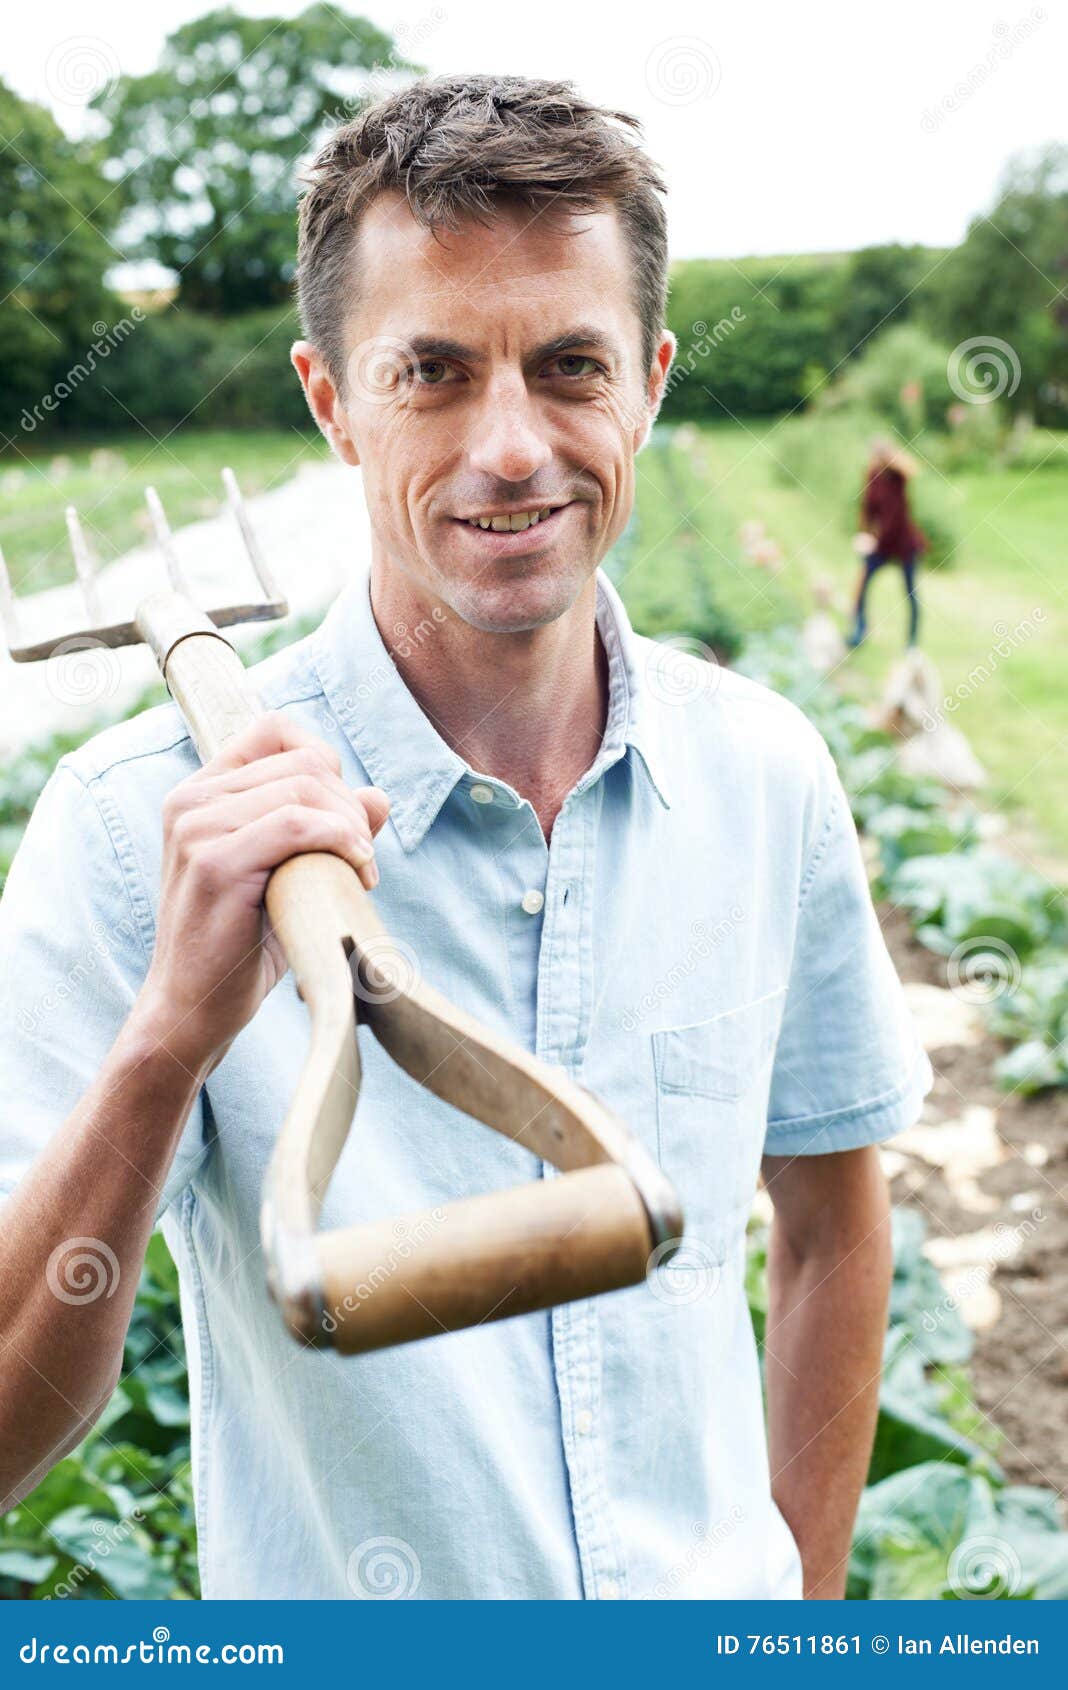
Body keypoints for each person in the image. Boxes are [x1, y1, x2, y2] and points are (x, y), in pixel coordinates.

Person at [0, 75, 932, 1600]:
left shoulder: (765, 774)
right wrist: (170, 1038)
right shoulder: (129, 831)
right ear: (330, 400)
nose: (511, 448)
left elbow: (833, 1227)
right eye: (430, 371)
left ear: (651, 383)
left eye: (571, 366)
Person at [848, 438, 926, 648]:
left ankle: (911, 643)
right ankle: (859, 631)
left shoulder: (898, 477)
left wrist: (893, 458)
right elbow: (867, 509)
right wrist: (864, 534)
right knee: (861, 587)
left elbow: (896, 518)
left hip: (903, 542)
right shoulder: (872, 476)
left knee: (910, 593)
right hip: (880, 545)